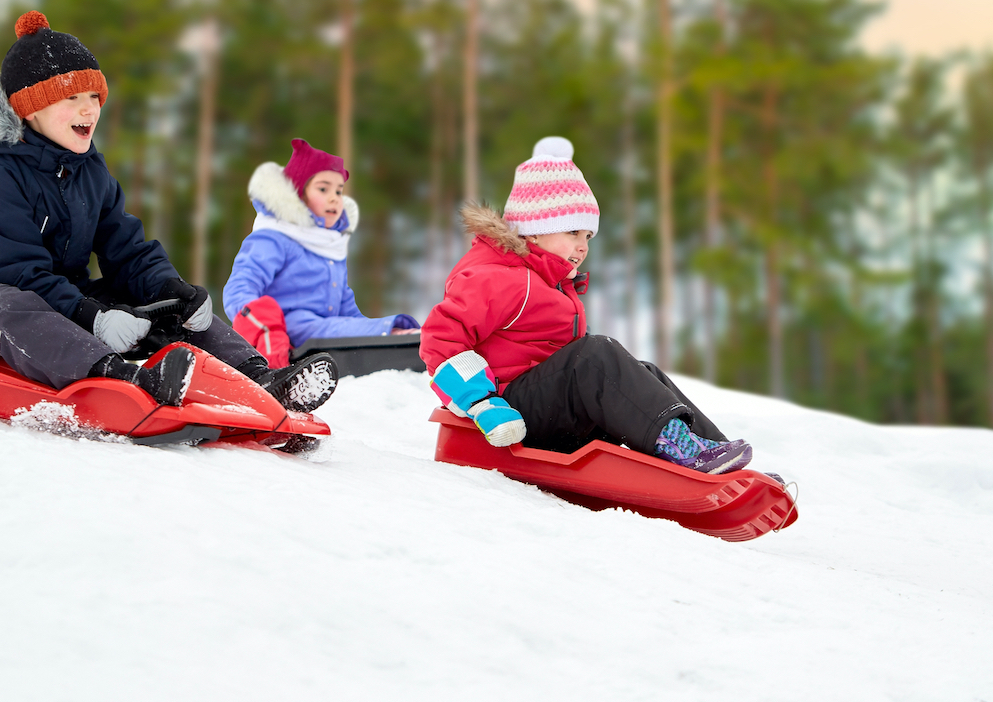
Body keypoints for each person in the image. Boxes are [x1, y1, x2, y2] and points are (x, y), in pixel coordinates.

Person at [0, 10, 338, 413]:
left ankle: (261, 379)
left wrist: (170, 290)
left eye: (94, 96)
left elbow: (125, 249)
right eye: (72, 98)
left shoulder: (89, 170)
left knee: (159, 302)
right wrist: (93, 316)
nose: (90, 110)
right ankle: (123, 382)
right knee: (10, 303)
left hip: (61, 295)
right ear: (30, 109)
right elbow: (15, 272)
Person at [421, 136, 753, 474]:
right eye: (573, 233)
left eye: (588, 237)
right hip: (507, 414)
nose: (582, 247)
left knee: (643, 372)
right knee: (595, 357)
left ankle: (715, 455)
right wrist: (481, 402)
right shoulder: (498, 277)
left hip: (547, 411)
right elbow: (441, 341)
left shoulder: (549, 284)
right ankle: (682, 448)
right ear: (534, 231)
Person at [222, 139, 419, 365]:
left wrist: (369, 331)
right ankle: (394, 336)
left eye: (339, 190)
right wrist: (261, 324)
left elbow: (345, 307)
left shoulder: (328, 245)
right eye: (323, 189)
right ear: (298, 193)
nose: (335, 197)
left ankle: (395, 343)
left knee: (341, 326)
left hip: (327, 330)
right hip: (288, 329)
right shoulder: (273, 238)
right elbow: (239, 288)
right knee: (317, 325)